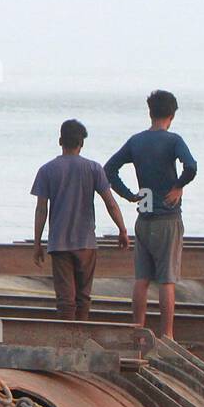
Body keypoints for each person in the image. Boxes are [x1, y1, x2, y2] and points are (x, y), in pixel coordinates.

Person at [104, 89, 197, 340]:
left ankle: (138, 331)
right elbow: (191, 167)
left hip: (143, 217)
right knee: (167, 280)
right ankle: (167, 335)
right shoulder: (173, 141)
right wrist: (178, 187)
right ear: (172, 115)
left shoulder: (136, 141)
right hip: (167, 217)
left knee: (142, 279)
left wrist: (128, 194)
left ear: (150, 112)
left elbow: (109, 169)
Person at [30, 119, 128, 320]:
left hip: (59, 243)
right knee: (83, 296)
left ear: (60, 141)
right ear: (81, 143)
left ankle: (68, 339)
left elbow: (41, 210)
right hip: (85, 243)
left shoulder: (47, 170)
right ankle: (81, 334)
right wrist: (122, 230)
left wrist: (38, 242)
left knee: (65, 298)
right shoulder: (93, 168)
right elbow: (110, 203)